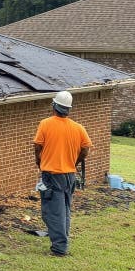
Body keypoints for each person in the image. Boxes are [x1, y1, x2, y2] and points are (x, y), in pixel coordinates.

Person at [33, 91, 92, 256]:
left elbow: (37, 146)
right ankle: (62, 239)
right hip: (69, 176)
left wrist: (39, 161)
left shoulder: (45, 124)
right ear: (68, 109)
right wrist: (75, 162)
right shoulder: (78, 128)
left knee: (53, 211)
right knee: (64, 209)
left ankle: (60, 248)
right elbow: (86, 149)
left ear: (54, 105)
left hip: (52, 175)